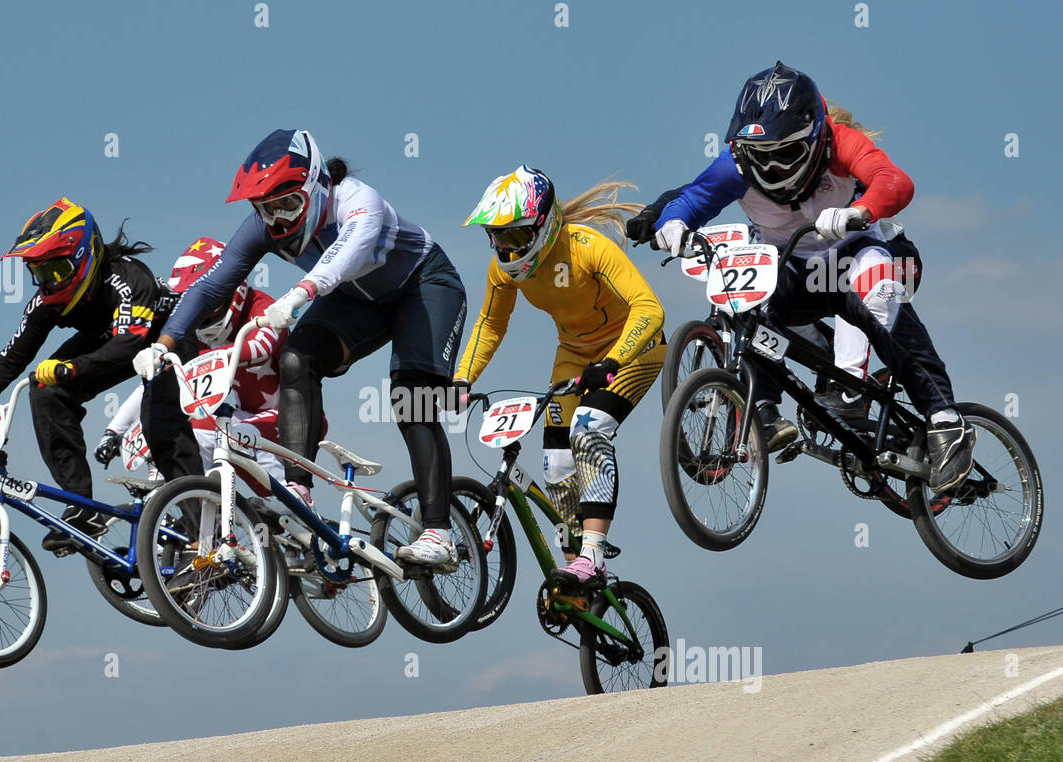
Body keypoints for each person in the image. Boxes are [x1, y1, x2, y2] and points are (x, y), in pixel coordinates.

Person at [134, 129, 469, 567]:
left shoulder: (356, 199)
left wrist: (301, 292)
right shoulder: (263, 227)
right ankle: (298, 490)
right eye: (265, 209)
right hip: (356, 300)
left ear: (315, 186)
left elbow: (348, 250)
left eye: (288, 204)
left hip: (424, 285)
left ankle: (439, 532)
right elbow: (213, 283)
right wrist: (164, 342)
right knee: (296, 358)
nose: (277, 220)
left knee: (412, 400)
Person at [650, 62, 974, 493]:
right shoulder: (733, 165)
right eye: (758, 155)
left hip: (868, 251)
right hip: (801, 271)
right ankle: (765, 409)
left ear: (813, 139)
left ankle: (945, 419)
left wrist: (860, 211)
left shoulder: (841, 144)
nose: (771, 167)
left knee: (874, 285)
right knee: (744, 301)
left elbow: (896, 182)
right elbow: (692, 198)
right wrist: (673, 224)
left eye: (784, 154)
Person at [454, 166, 667, 587]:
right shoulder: (502, 272)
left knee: (588, 428)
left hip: (632, 348)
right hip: (574, 355)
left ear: (544, 225)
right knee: (555, 464)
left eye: (515, 236)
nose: (506, 249)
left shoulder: (588, 247)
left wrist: (614, 361)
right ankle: (576, 574)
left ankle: (594, 555)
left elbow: (649, 309)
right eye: (497, 237)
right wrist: (462, 379)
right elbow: (490, 325)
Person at [0, 198, 171, 550]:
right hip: (109, 340)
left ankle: (201, 529)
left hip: (164, 340)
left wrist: (69, 367)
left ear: (85, 256)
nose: (47, 283)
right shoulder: (47, 303)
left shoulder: (127, 278)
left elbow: (128, 346)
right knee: (43, 390)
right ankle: (83, 508)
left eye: (55, 271)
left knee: (164, 426)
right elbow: (11, 359)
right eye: (39, 273)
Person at [96, 237, 287, 488]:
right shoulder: (196, 334)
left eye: (210, 299)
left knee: (230, 436)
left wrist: (208, 358)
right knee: (194, 428)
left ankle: (286, 504)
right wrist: (114, 431)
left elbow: (260, 347)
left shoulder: (262, 305)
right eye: (194, 302)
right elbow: (157, 382)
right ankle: (209, 509)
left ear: (233, 285)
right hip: (246, 414)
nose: (203, 311)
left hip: (285, 418)